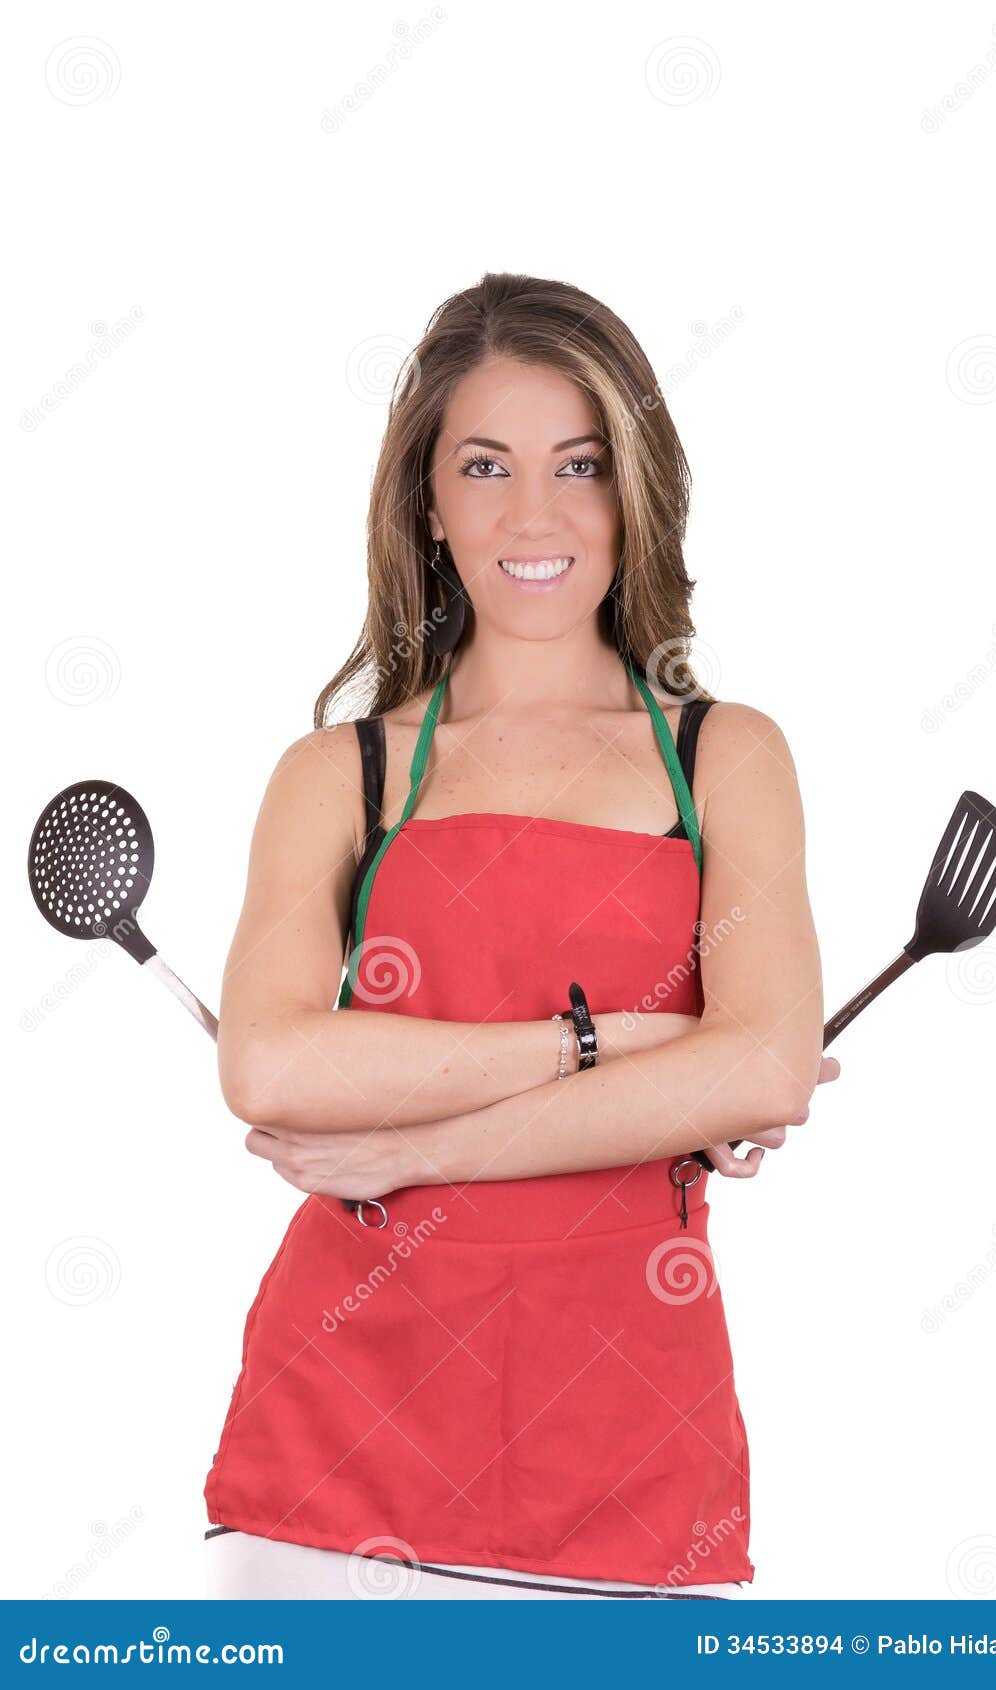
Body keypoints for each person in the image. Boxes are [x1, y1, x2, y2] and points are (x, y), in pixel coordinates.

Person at [202, 272, 836, 1600]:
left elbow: (766, 1068)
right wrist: (623, 1048)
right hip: (333, 1447)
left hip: (632, 1453)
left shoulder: (725, 757)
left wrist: (407, 1145)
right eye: (485, 466)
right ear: (429, 505)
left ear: (634, 491)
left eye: (579, 465)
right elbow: (268, 1065)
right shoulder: (341, 774)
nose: (533, 515)